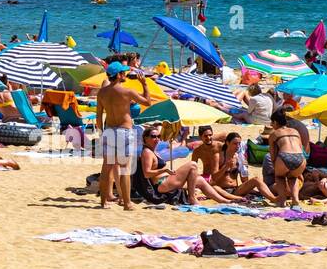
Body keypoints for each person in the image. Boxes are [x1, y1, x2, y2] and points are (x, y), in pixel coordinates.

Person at [95, 61, 154, 211]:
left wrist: (102, 132)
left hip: (109, 130)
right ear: (119, 75)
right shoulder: (127, 92)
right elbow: (147, 102)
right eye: (123, 72)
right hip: (124, 131)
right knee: (124, 169)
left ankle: (103, 203)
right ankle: (127, 203)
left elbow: (98, 115)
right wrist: (144, 84)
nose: (125, 74)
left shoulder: (102, 92)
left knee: (106, 168)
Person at [139, 127, 242, 204]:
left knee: (201, 181)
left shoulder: (154, 151)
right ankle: (192, 198)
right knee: (193, 165)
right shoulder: (147, 152)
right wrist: (165, 171)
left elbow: (225, 138)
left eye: (158, 136)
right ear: (145, 138)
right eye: (153, 136)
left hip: (167, 180)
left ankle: (225, 201)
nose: (156, 139)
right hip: (161, 183)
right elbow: (147, 174)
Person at [213, 133, 277, 201]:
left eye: (239, 144)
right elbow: (214, 178)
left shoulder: (240, 157)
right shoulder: (219, 156)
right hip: (222, 189)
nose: (237, 146)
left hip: (235, 190)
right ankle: (238, 198)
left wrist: (244, 168)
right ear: (227, 143)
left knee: (256, 179)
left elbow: (244, 180)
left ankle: (273, 198)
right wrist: (226, 167)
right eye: (235, 143)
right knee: (214, 188)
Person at [268, 109, 308, 207]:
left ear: (276, 122)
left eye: (272, 122)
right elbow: (301, 148)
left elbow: (273, 155)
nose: (271, 125)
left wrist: (276, 168)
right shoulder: (295, 131)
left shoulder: (274, 134)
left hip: (284, 155)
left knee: (279, 177)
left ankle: (282, 201)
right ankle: (295, 200)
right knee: (293, 177)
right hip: (300, 158)